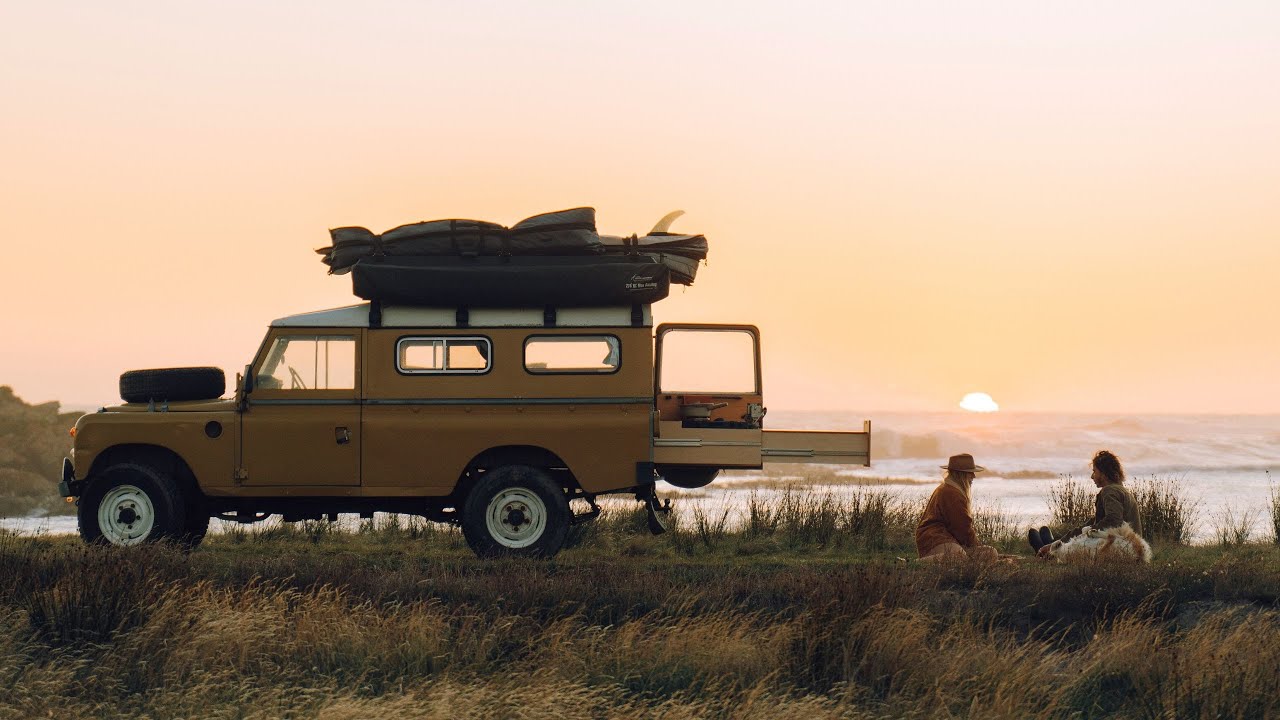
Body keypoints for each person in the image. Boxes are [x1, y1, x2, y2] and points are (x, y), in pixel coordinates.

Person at [1029, 450, 1143, 556]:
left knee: (1034, 535)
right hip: (1129, 547)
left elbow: (1114, 520)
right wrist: (1064, 539)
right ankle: (1051, 545)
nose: (1092, 476)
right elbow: (1096, 523)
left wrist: (1088, 531)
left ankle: (1046, 551)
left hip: (1121, 548)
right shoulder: (1120, 490)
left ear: (1103, 473)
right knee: (1045, 534)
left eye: (1094, 471)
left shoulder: (1110, 491)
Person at [915, 453, 999, 562]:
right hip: (935, 539)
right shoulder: (951, 493)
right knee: (959, 557)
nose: (973, 476)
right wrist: (976, 546)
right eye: (970, 473)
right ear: (961, 474)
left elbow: (961, 531)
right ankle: (915, 564)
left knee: (990, 552)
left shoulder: (949, 489)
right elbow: (962, 529)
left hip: (947, 540)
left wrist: (977, 547)